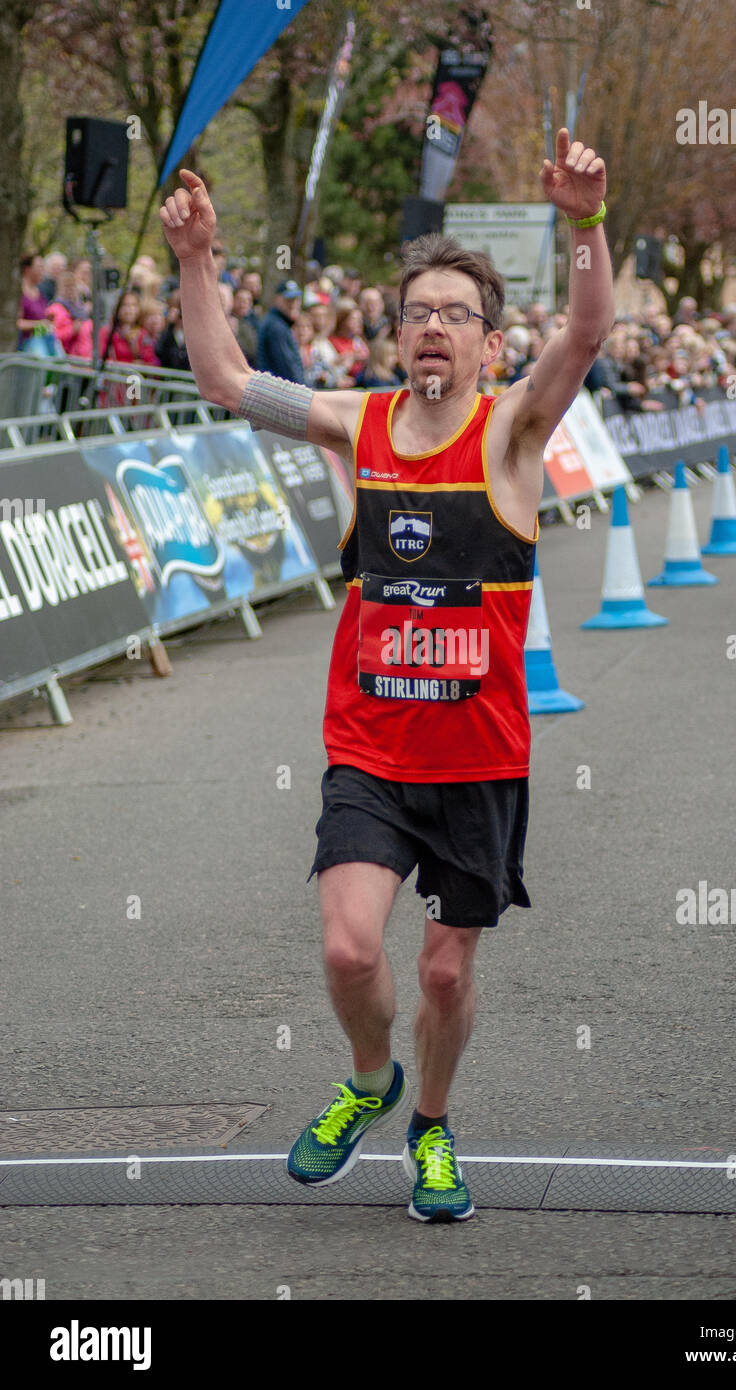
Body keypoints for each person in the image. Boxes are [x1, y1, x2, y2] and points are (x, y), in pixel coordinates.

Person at [159, 130, 613, 1222]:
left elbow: (590, 328)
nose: (433, 328)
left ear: (490, 344)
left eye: (457, 315)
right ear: (396, 332)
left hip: (480, 757)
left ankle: (434, 1127)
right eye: (418, 312)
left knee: (447, 975)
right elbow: (223, 375)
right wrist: (196, 260)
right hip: (370, 749)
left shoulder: (513, 431)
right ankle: (370, 1080)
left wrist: (589, 220)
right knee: (351, 944)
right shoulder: (351, 422)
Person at [256, 280, 306, 383]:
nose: (293, 304)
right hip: (278, 393)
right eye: (288, 299)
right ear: (276, 299)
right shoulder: (276, 327)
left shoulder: (278, 322)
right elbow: (289, 372)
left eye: (296, 299)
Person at [17, 254, 50, 347]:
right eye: (39, 267)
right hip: (26, 343)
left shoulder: (40, 292)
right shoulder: (19, 293)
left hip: (41, 338)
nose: (43, 271)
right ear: (27, 269)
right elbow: (17, 323)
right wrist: (38, 324)